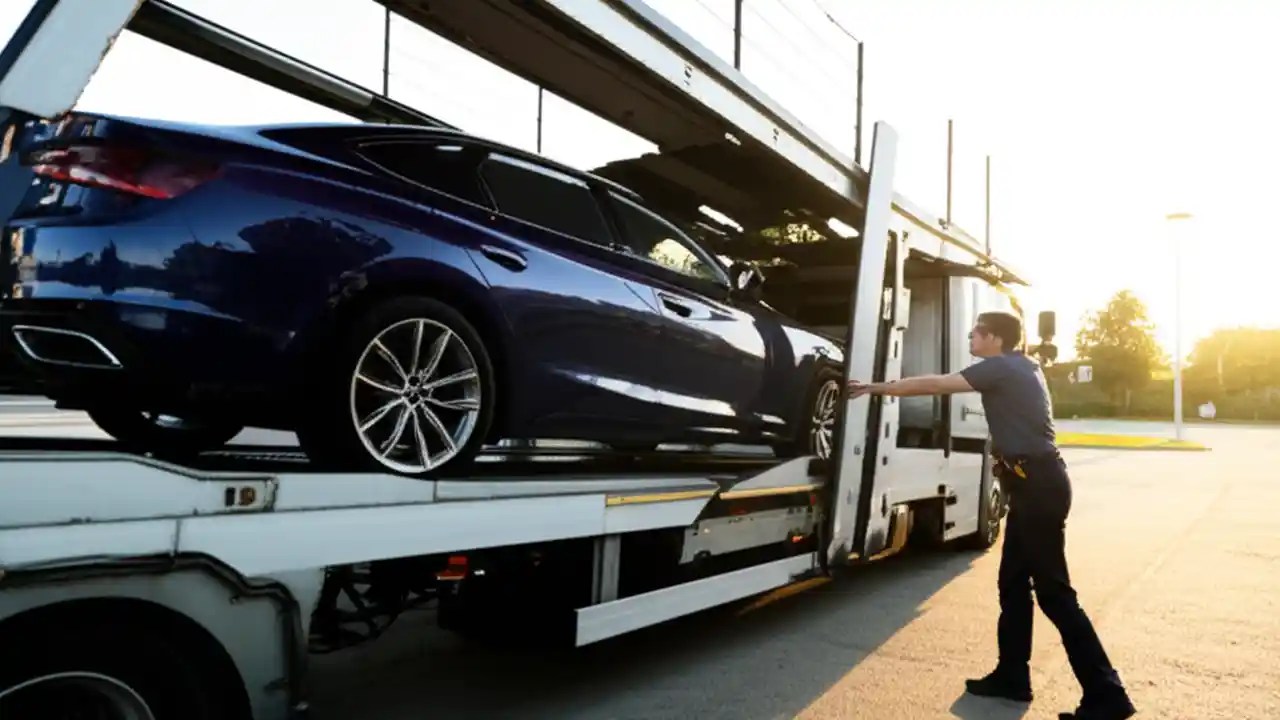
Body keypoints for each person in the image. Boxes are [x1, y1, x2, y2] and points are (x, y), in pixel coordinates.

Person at [846, 310, 1136, 720]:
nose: (971, 337)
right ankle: (1012, 677)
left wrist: (874, 388)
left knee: (1054, 593)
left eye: (976, 333)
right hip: (1034, 484)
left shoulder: (1000, 368)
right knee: (1013, 583)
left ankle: (1108, 695)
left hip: (1038, 487)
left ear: (996, 338)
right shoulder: (1022, 365)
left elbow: (936, 384)